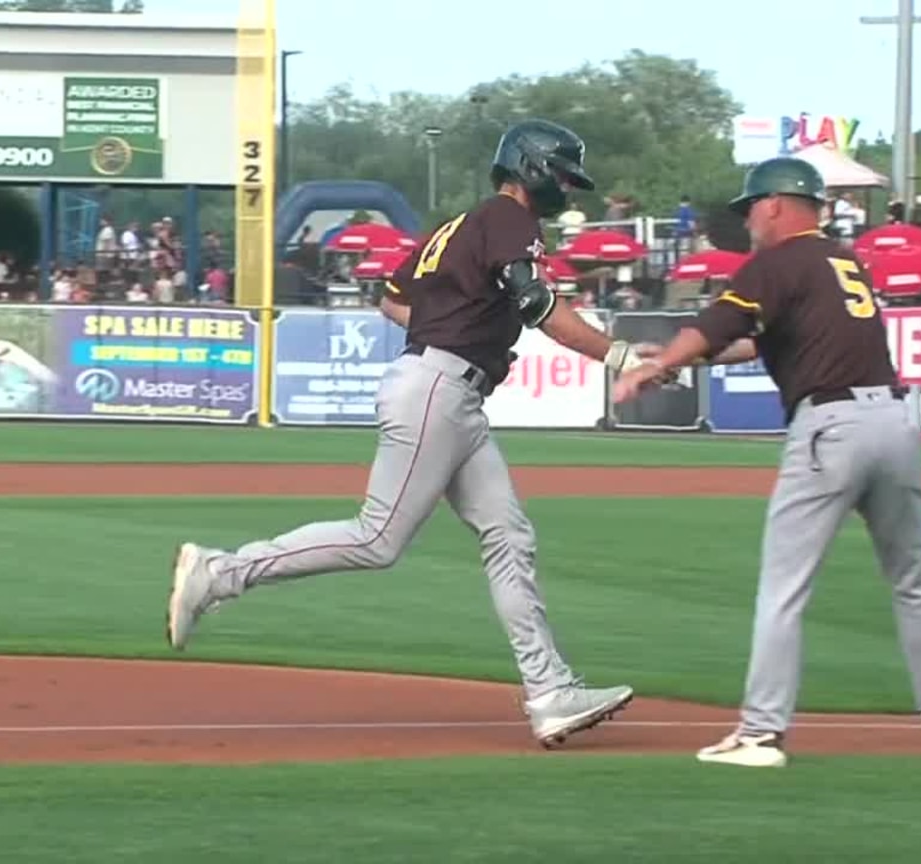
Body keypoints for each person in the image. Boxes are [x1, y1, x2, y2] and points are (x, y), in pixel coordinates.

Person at [167, 119, 654, 749]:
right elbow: (537, 307)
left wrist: (456, 317)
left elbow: (394, 300)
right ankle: (219, 572)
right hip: (439, 389)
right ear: (530, 168)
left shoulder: (462, 226)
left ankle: (549, 691)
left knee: (509, 536)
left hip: (452, 393)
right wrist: (620, 357)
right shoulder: (509, 218)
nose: (568, 187)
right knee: (377, 539)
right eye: (562, 173)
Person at [612, 156, 921, 768]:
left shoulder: (781, 258)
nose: (748, 223)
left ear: (773, 204)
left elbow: (719, 321)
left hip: (833, 428)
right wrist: (679, 359)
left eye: (751, 211)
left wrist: (655, 366)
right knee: (913, 583)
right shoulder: (841, 260)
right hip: (894, 421)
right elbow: (757, 339)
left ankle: (761, 734)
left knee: (783, 588)